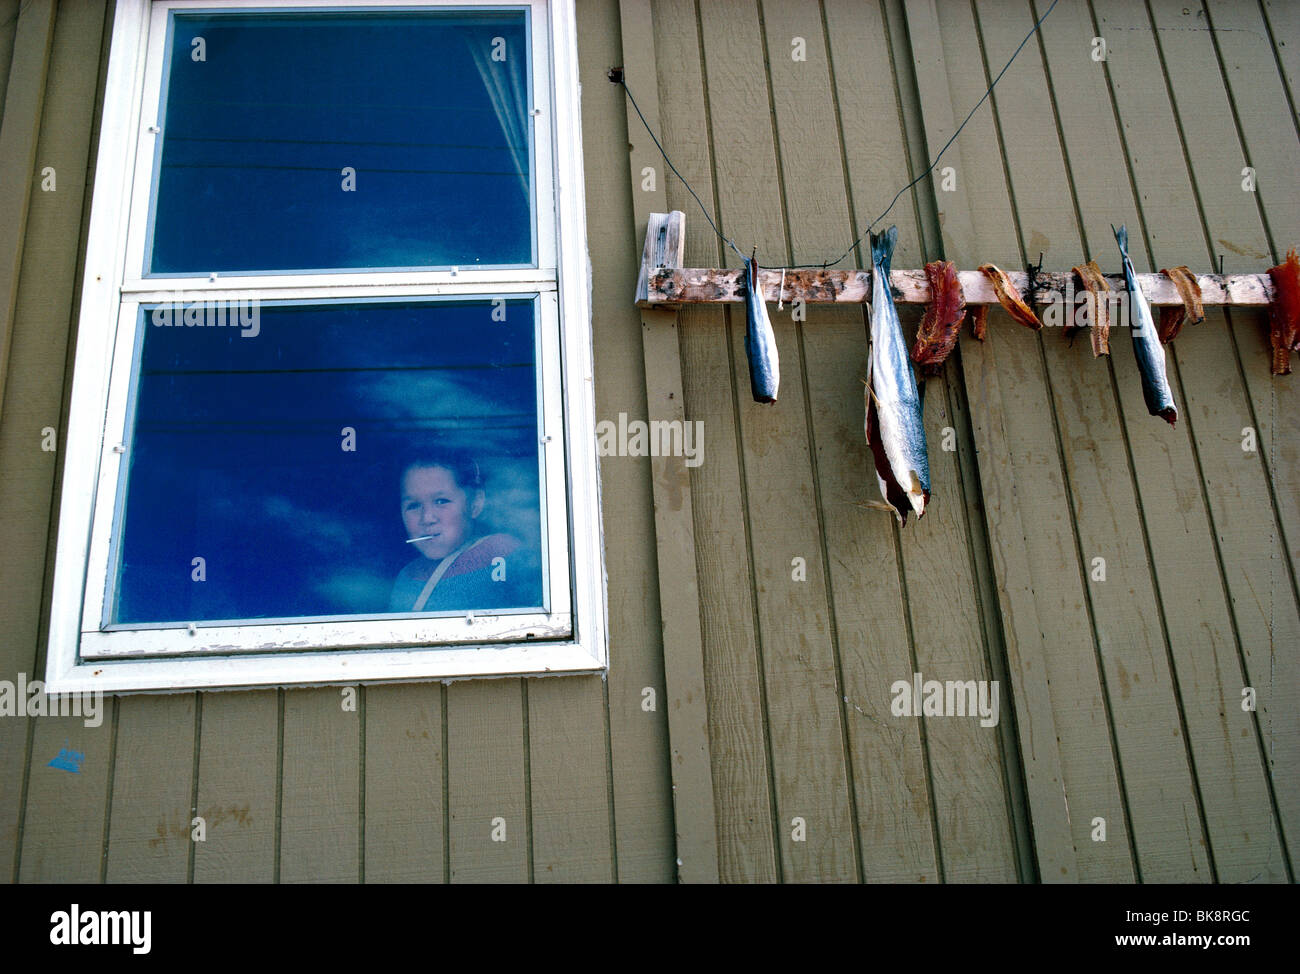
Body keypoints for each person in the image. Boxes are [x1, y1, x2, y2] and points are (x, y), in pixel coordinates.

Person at [388, 453, 540, 613]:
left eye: (441, 501)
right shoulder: (405, 577)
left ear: (475, 503)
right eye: (413, 505)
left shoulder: (503, 552)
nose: (427, 518)